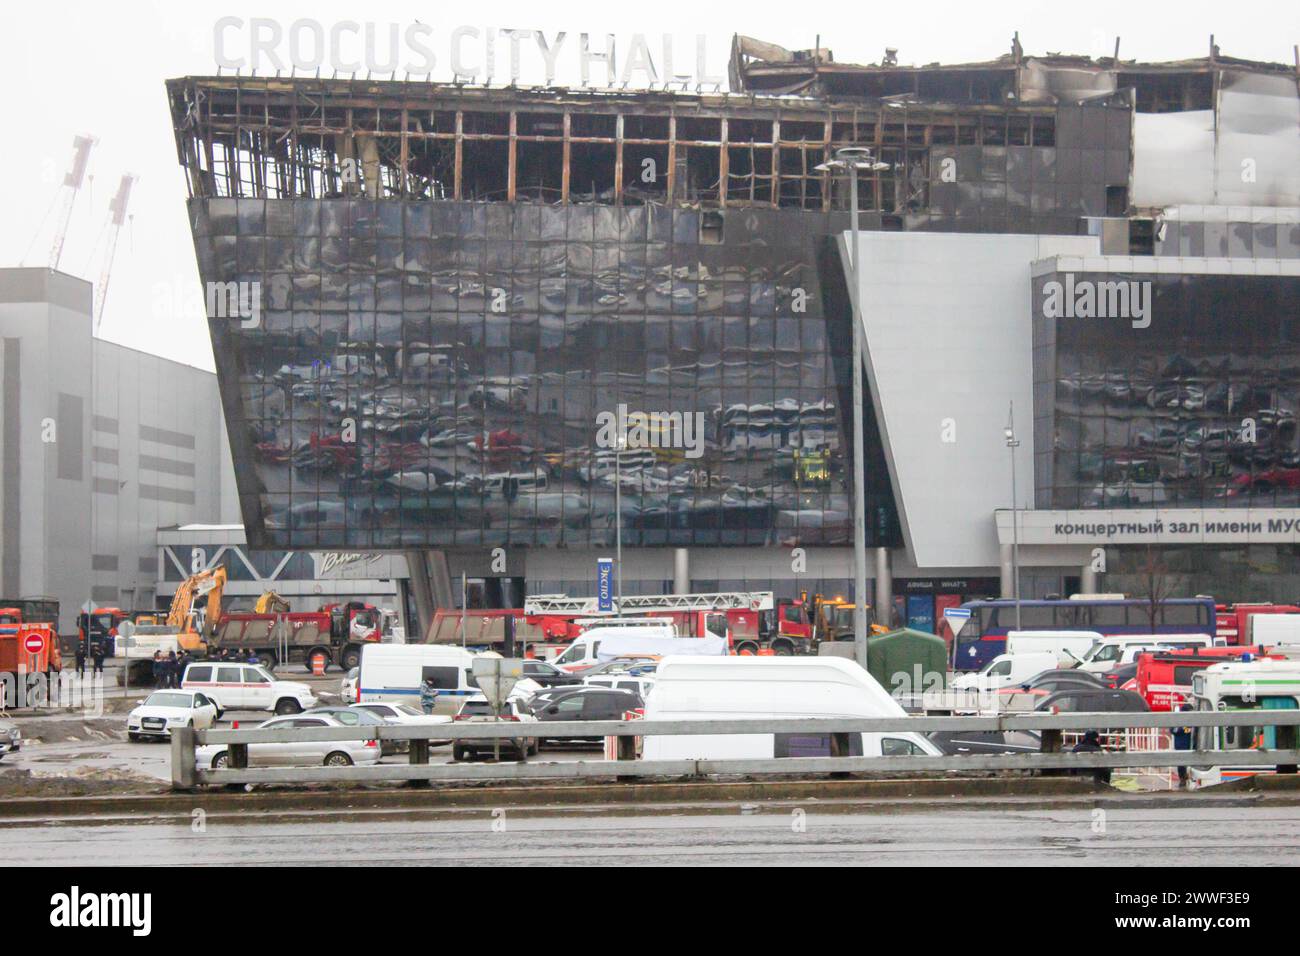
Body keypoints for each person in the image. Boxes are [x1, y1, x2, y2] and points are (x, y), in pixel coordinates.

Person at [1172, 703, 1195, 788]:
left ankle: (1189, 777)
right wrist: (1183, 727)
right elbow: (1173, 730)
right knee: (1181, 763)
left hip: (1191, 744)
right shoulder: (1178, 720)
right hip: (1181, 745)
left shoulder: (1193, 721)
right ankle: (1182, 779)